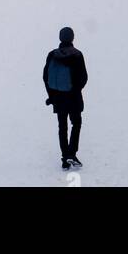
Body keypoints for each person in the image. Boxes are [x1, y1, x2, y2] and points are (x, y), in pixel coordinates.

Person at [43, 27, 88, 169]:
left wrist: (52, 96)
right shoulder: (77, 55)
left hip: (58, 98)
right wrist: (75, 89)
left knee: (62, 127)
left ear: (60, 38)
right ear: (72, 38)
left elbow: (46, 77)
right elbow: (83, 78)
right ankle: (71, 153)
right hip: (73, 97)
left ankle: (65, 158)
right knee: (76, 124)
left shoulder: (52, 55)